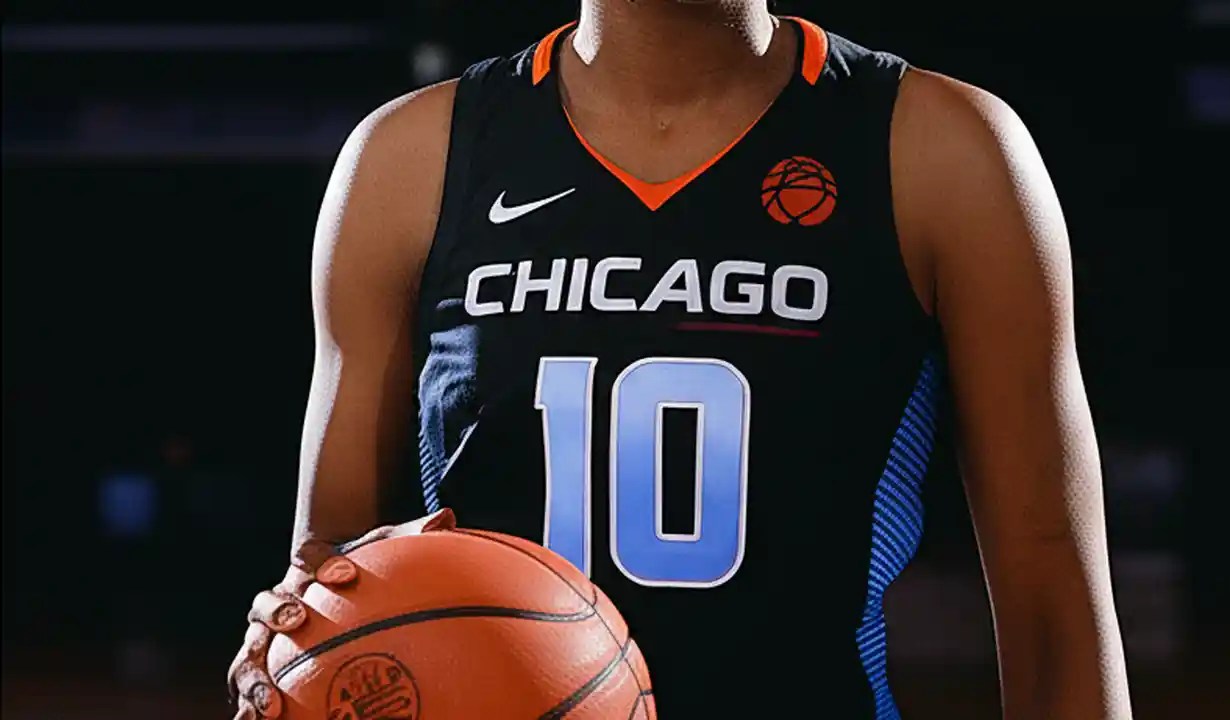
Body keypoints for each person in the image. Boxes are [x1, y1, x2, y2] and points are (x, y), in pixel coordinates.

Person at [228, 1, 1134, 717]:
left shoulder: (942, 147)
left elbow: (1053, 586)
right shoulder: (410, 158)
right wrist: (290, 650)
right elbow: (331, 576)